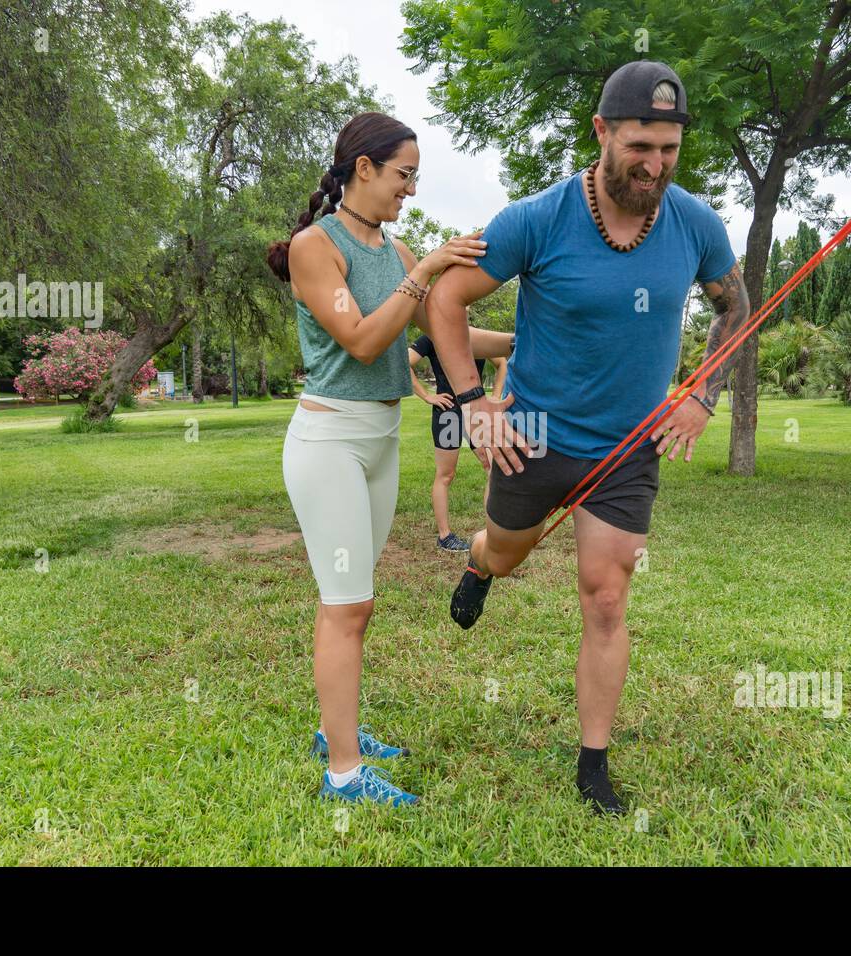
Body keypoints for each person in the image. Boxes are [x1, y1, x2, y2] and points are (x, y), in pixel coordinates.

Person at [425, 62, 753, 815]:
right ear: (601, 132)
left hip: (626, 450)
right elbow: (444, 298)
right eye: (641, 146)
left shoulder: (695, 223)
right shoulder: (536, 219)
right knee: (509, 554)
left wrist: (702, 392)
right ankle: (478, 562)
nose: (655, 165)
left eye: (669, 149)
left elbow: (735, 307)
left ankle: (593, 763)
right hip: (532, 437)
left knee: (606, 597)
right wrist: (475, 405)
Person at [267, 111, 512, 808]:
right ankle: (343, 774)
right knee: (349, 605)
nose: (410, 189)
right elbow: (366, 341)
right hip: (329, 444)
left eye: (417, 178)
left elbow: (445, 325)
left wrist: (522, 344)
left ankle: (333, 731)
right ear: (363, 168)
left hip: (377, 442)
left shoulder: (392, 248)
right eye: (404, 175)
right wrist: (429, 265)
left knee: (352, 605)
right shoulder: (317, 246)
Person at [408, 333, 507, 551]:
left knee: (493, 468)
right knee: (446, 474)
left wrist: (496, 396)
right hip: (448, 413)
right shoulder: (431, 335)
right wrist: (427, 396)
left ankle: (493, 534)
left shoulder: (476, 335)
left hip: (476, 411)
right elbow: (405, 363)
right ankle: (445, 536)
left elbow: (502, 363)